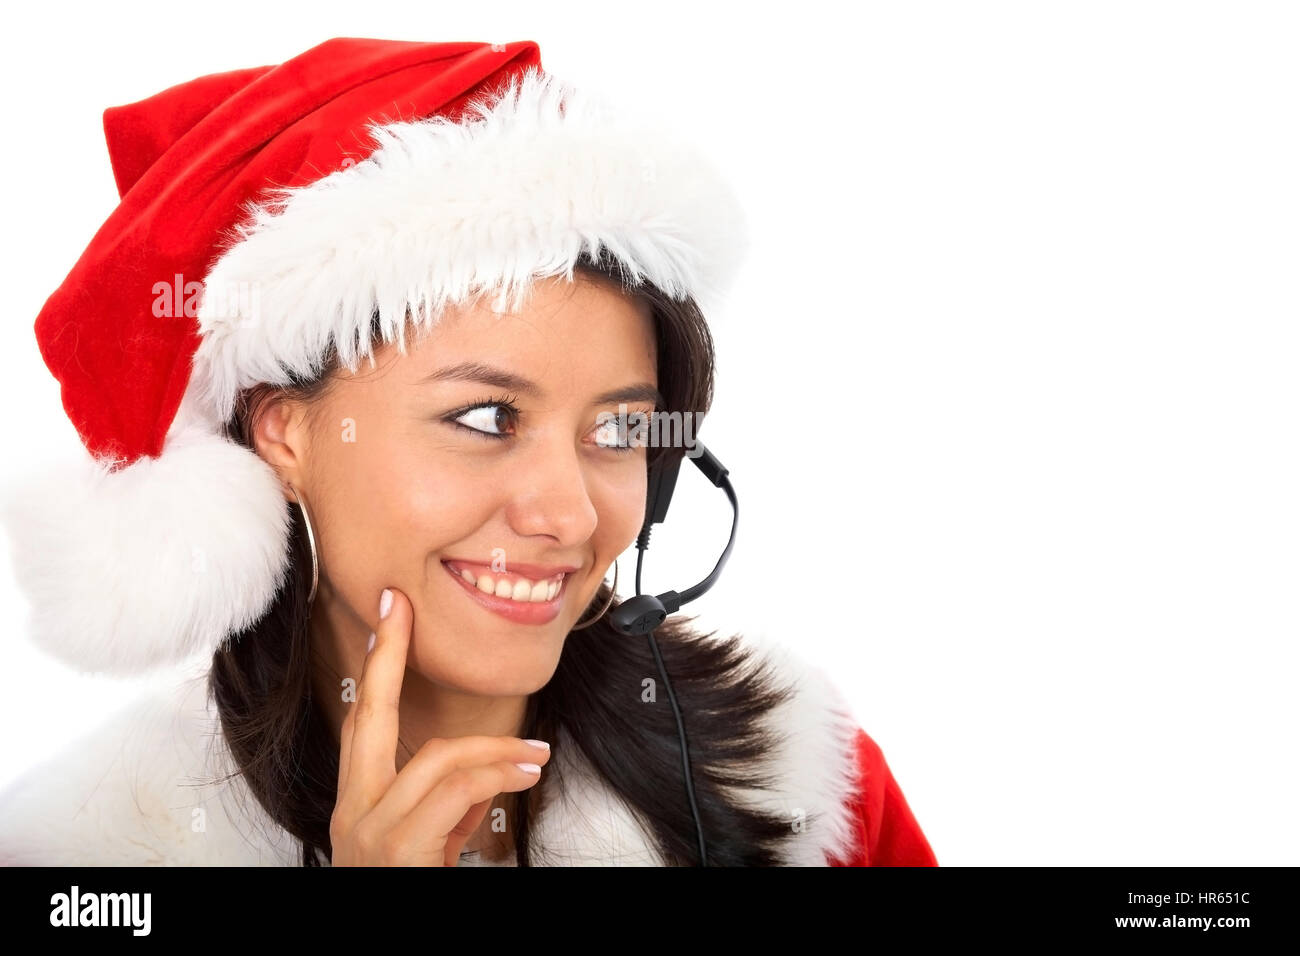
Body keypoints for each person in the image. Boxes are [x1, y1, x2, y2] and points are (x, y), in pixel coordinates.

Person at [0, 37, 937, 867]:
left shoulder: (797, 781)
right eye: (487, 420)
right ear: (284, 433)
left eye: (616, 430)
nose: (569, 515)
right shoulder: (92, 848)